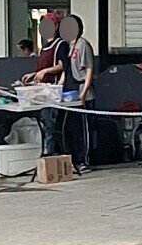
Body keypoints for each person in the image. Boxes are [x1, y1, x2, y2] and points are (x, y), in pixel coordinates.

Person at [22, 13, 69, 155]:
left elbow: (62, 65)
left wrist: (45, 71)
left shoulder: (61, 44)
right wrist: (33, 74)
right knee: (44, 123)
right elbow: (41, 69)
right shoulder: (44, 47)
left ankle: (52, 154)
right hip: (42, 90)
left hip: (53, 90)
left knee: (51, 125)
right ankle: (46, 153)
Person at [59, 14, 95, 171]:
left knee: (84, 127)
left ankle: (84, 160)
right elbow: (66, 71)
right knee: (72, 127)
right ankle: (74, 158)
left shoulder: (83, 45)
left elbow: (89, 69)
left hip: (82, 90)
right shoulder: (68, 46)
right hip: (70, 91)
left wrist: (84, 91)